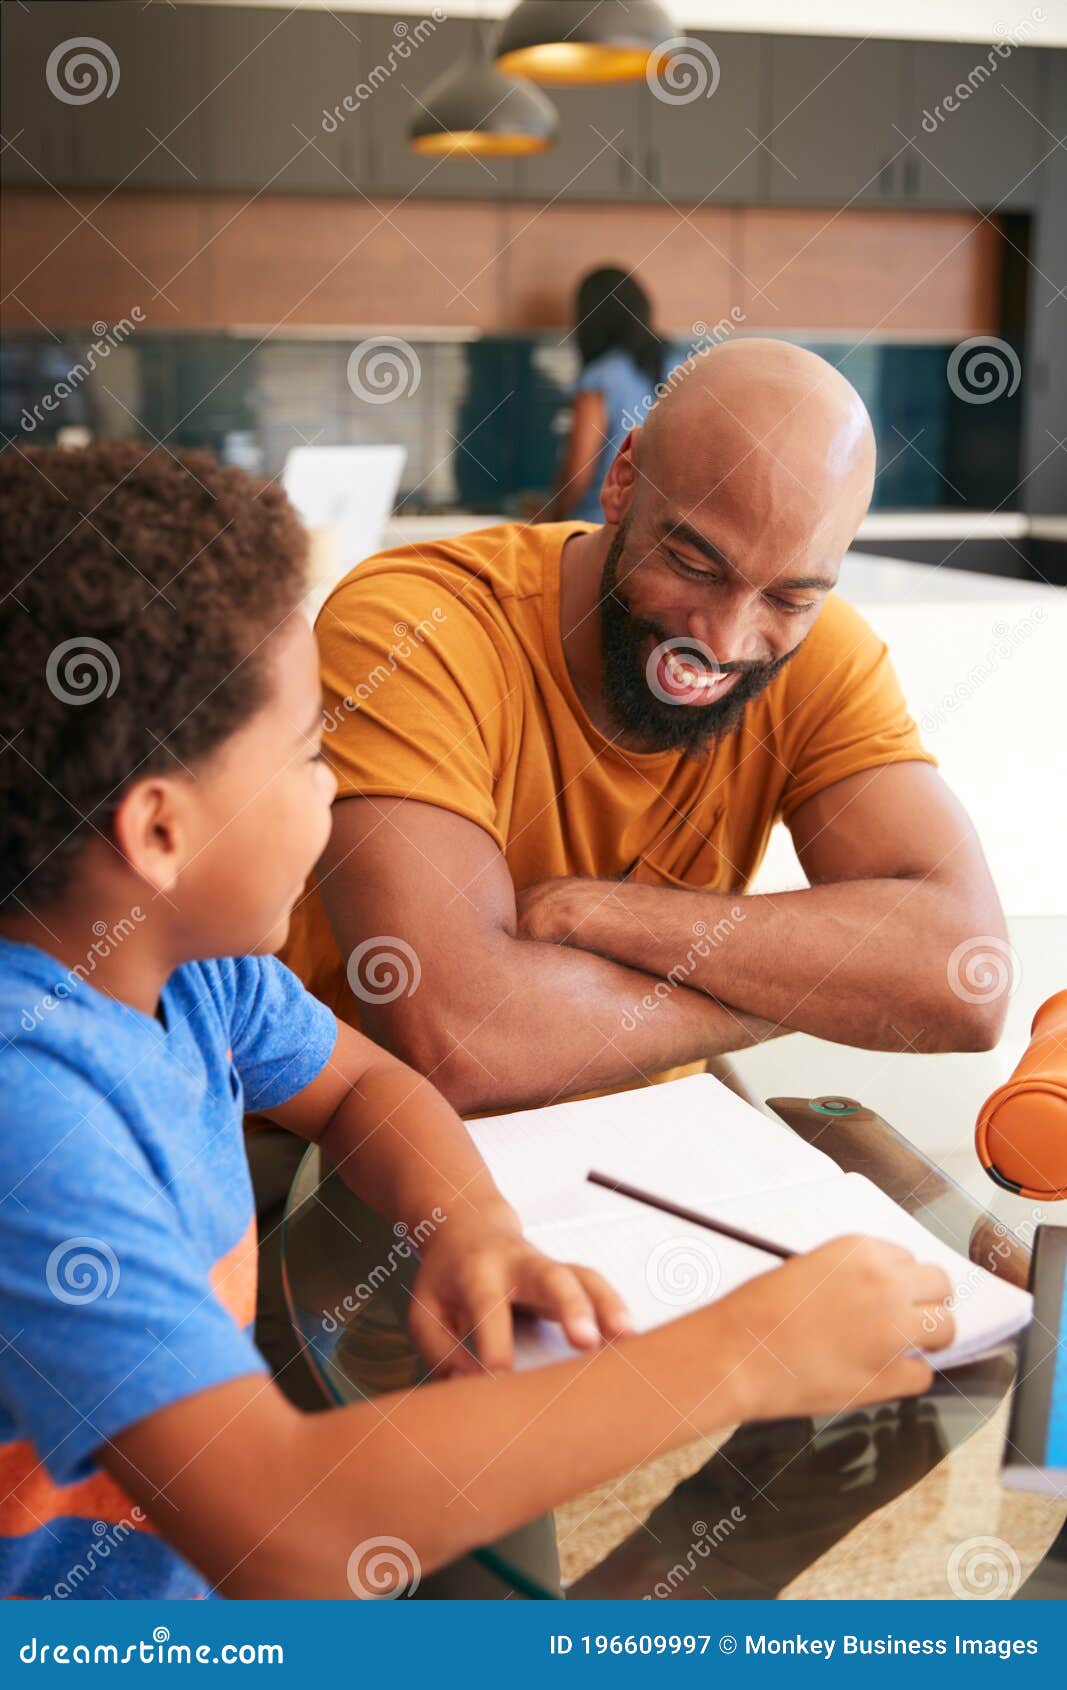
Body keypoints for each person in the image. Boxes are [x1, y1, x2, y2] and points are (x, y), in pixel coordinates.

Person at [0, 442, 956, 1601]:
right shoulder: (33, 1112)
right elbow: (286, 1526)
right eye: (310, 752)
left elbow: (364, 1088)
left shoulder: (193, 972)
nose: (332, 786)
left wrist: (467, 1223)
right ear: (160, 833)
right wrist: (745, 1355)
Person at [279, 337, 1008, 1125]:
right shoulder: (415, 626)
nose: (724, 641)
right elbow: (458, 1042)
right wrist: (820, 987)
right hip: (357, 1168)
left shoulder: (825, 655)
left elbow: (968, 979)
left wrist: (597, 915)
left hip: (647, 1156)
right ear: (621, 479)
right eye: (696, 565)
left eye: (789, 600)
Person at [549, 266, 668, 522]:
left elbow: (577, 476)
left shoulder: (599, 379)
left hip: (598, 528)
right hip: (655, 528)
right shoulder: (679, 368)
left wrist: (548, 521)